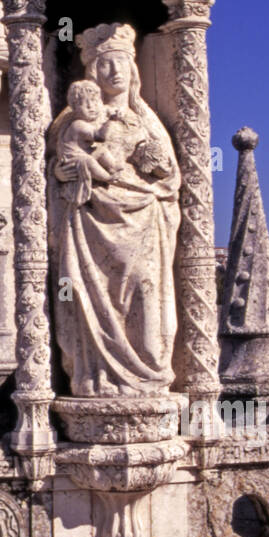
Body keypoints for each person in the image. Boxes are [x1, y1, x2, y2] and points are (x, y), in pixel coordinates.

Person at [47, 22, 181, 396]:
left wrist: (155, 166)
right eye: (105, 64)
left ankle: (149, 373)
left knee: (145, 288)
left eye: (121, 62)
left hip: (143, 219)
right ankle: (94, 377)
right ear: (92, 72)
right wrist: (72, 170)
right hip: (89, 222)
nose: (115, 71)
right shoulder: (74, 121)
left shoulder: (146, 119)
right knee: (79, 290)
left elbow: (171, 178)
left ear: (134, 68)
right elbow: (56, 169)